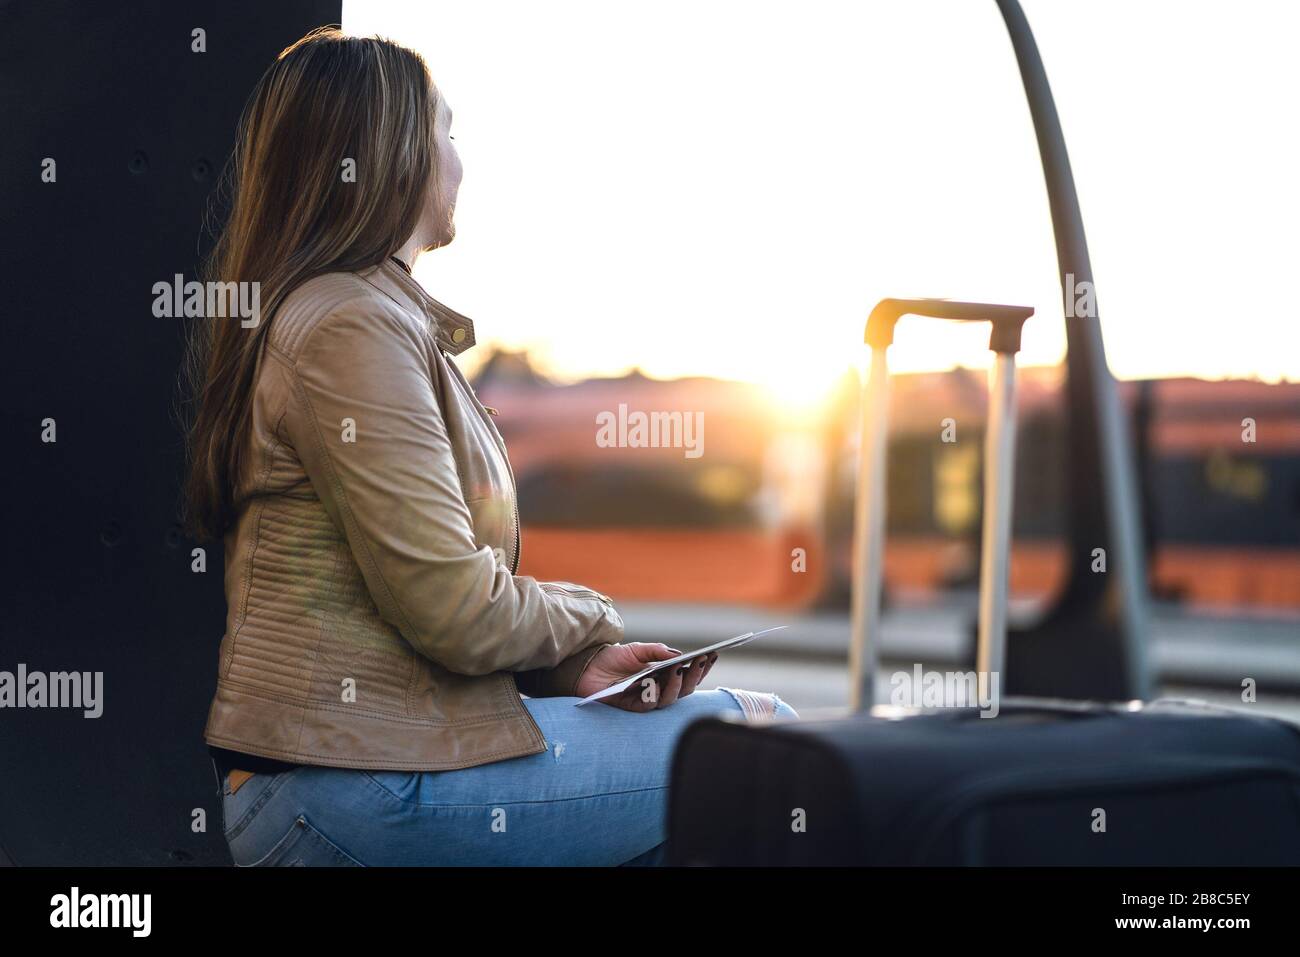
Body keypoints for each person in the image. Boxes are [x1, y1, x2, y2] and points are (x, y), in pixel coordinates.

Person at [182, 26, 796, 867]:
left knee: (687, 820)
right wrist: (592, 617)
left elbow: (410, 612)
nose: (459, 161)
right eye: (447, 133)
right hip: (346, 785)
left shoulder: (360, 317)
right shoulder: (349, 325)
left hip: (362, 765)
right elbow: (452, 606)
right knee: (771, 753)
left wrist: (574, 668)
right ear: (393, 153)